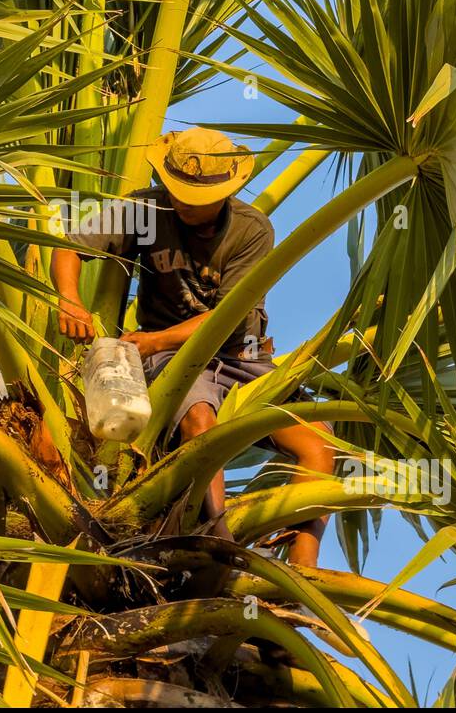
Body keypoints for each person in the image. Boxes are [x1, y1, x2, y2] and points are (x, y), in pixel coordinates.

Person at [49, 127, 335, 567]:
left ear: (225, 193)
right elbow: (69, 248)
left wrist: (152, 341)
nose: (183, 204)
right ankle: (218, 541)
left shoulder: (251, 230)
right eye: (177, 192)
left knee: (318, 442)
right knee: (200, 420)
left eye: (196, 199)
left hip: (242, 357)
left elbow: (229, 318)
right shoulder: (147, 208)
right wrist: (69, 300)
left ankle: (303, 569)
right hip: (178, 361)